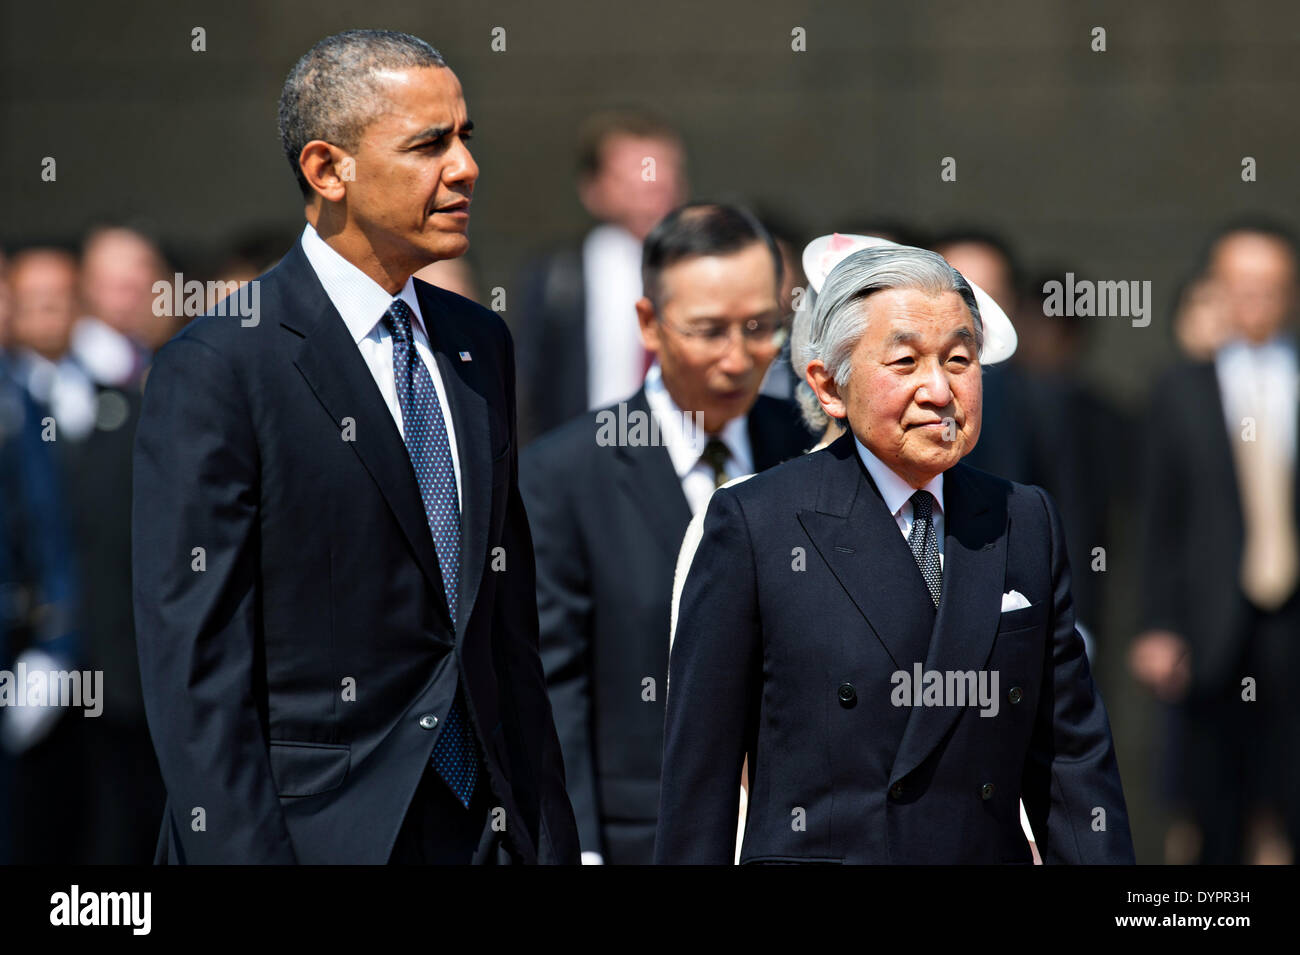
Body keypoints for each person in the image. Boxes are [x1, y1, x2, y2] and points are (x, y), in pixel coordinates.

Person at [132, 29, 579, 864]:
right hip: (312, 836)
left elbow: (506, 628)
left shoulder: (479, 343)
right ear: (327, 169)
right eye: (428, 144)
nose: (465, 168)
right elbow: (197, 672)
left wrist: (547, 837)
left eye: (465, 138)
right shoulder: (220, 365)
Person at [657, 244, 1134, 864]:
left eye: (960, 360)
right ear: (829, 387)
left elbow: (1072, 760)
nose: (939, 390)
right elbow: (702, 778)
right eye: (905, 362)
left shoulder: (1023, 518)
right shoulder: (756, 524)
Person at [521, 202, 815, 864]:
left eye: (761, 327)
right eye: (709, 331)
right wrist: (578, 851)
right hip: (640, 837)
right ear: (650, 323)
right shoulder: (565, 474)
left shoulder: (813, 452)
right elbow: (554, 691)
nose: (739, 358)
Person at [1133, 221, 1300, 865]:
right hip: (1211, 624)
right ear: (1216, 291)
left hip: (1293, 618)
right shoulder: (1179, 390)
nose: (1256, 299)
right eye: (1241, 285)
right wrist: (1158, 624)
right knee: (1212, 805)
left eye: (1270, 286)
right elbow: (1159, 518)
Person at [514, 110, 688, 443]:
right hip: (586, 459)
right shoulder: (559, 276)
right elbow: (527, 386)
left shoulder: (706, 267)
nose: (653, 187)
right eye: (633, 176)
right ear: (593, 189)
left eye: (664, 172)